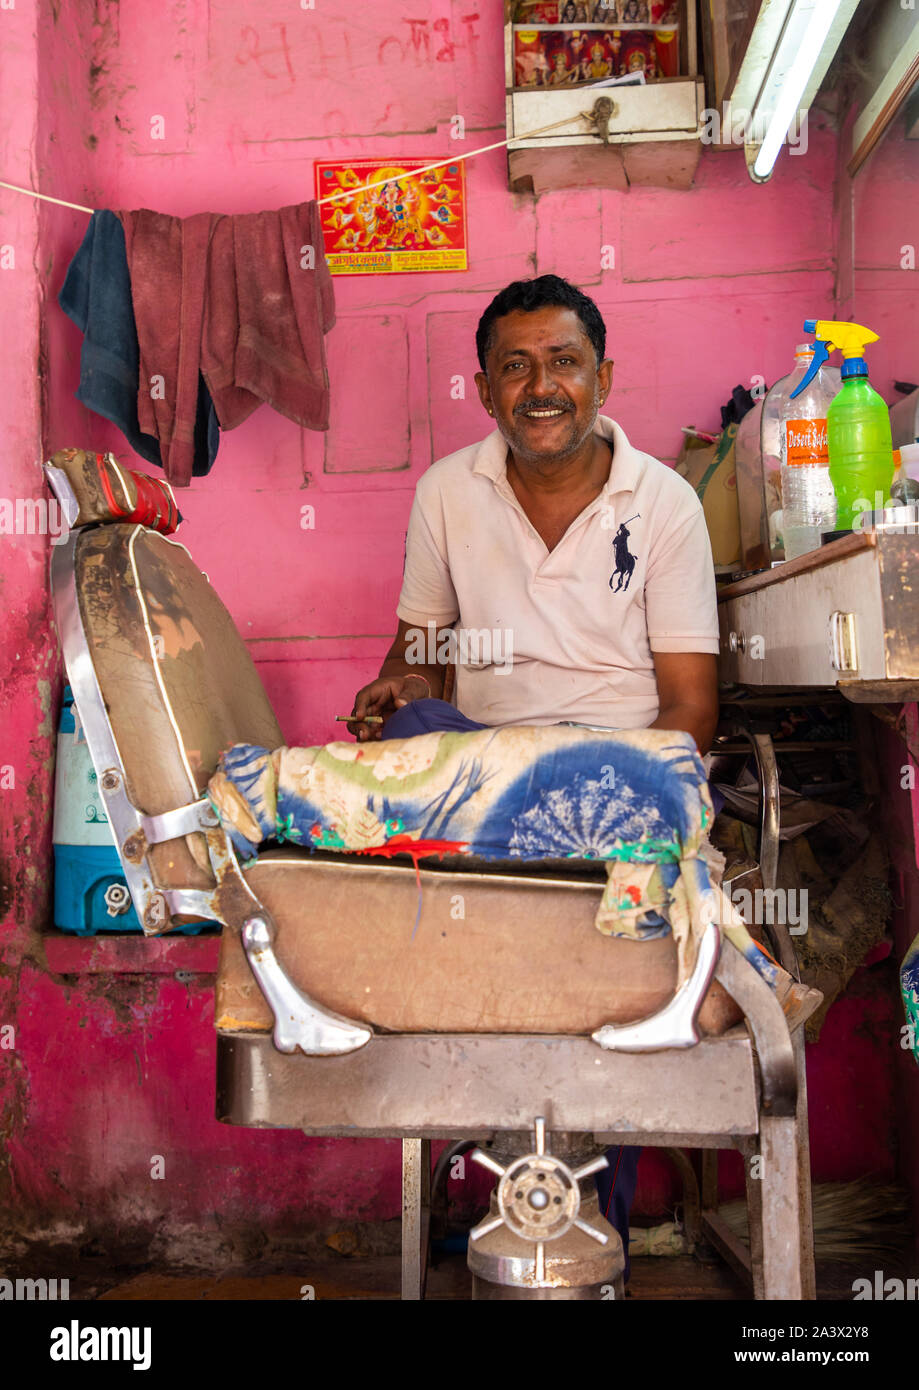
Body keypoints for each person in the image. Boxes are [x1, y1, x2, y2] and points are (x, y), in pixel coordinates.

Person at [347, 275, 722, 1280]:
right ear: (484, 390)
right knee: (414, 735)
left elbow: (691, 706)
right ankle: (479, 1167)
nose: (540, 385)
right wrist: (396, 689)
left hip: (613, 775)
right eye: (514, 367)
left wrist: (623, 787)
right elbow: (418, 658)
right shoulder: (445, 492)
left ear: (604, 375)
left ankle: (598, 1200)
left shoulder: (667, 504)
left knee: (634, 901)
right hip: (484, 771)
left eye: (561, 362)